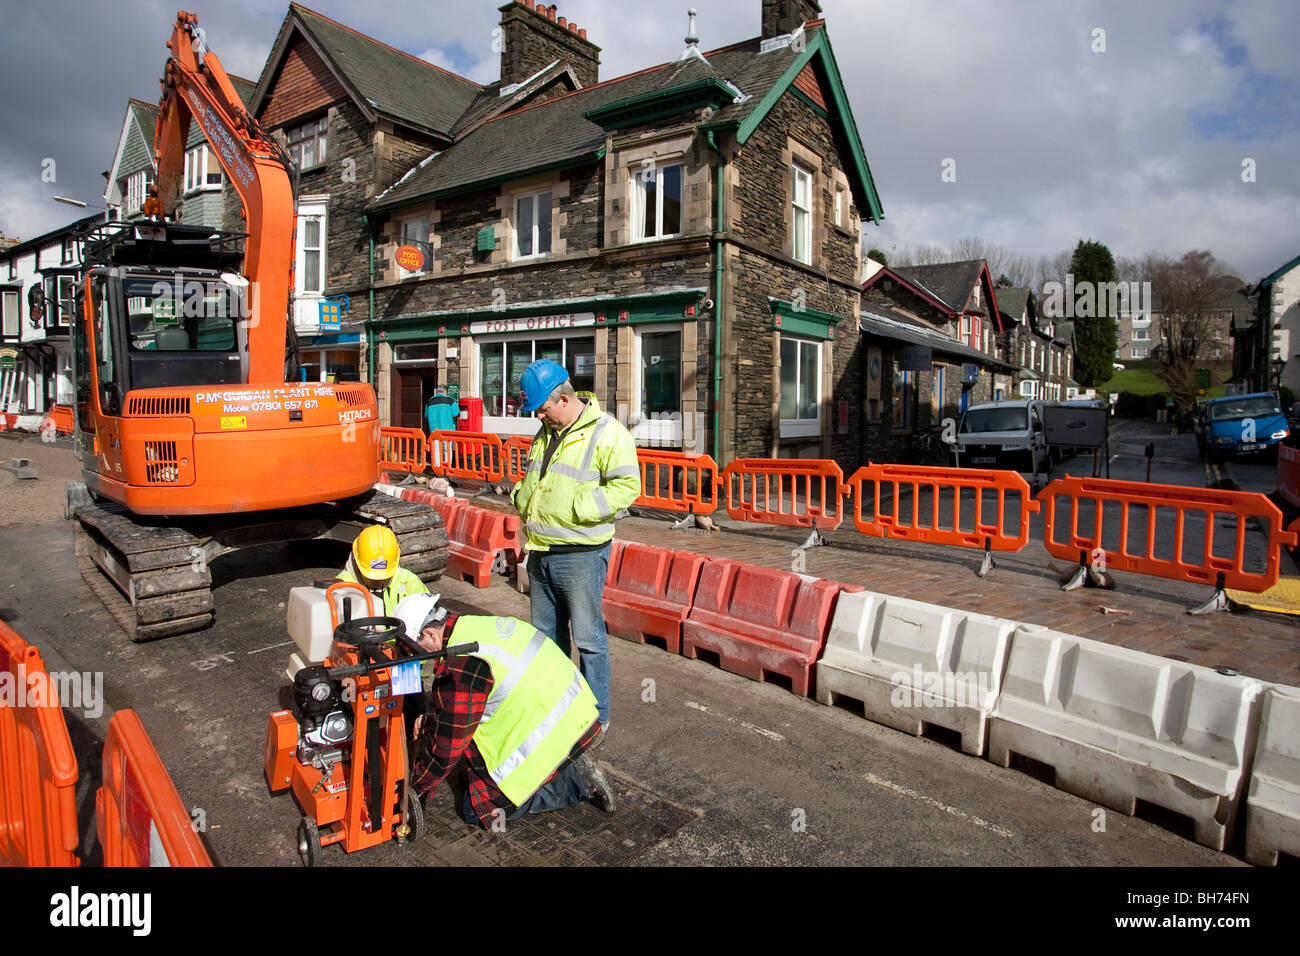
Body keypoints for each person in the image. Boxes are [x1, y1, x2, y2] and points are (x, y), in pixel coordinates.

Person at [394, 593, 615, 827]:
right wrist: (432, 722)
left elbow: (446, 749)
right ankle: (566, 761)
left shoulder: (461, 665)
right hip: (576, 712)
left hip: (555, 729)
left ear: (429, 633)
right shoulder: (472, 625)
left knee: (475, 810)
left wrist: (414, 787)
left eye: (415, 647)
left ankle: (572, 783)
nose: (416, 655)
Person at [509, 359, 640, 736]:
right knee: (547, 640)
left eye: (543, 409)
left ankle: (595, 717)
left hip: (581, 556)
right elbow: (535, 478)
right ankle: (557, 707)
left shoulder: (608, 432)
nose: (540, 416)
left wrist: (575, 509)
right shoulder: (546, 432)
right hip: (541, 551)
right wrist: (521, 496)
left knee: (588, 640)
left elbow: (627, 488)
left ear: (563, 400)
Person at [337, 524, 428, 615]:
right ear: (356, 560)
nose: (377, 581)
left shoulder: (409, 581)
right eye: (371, 577)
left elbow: (428, 610)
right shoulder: (341, 586)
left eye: (383, 576)